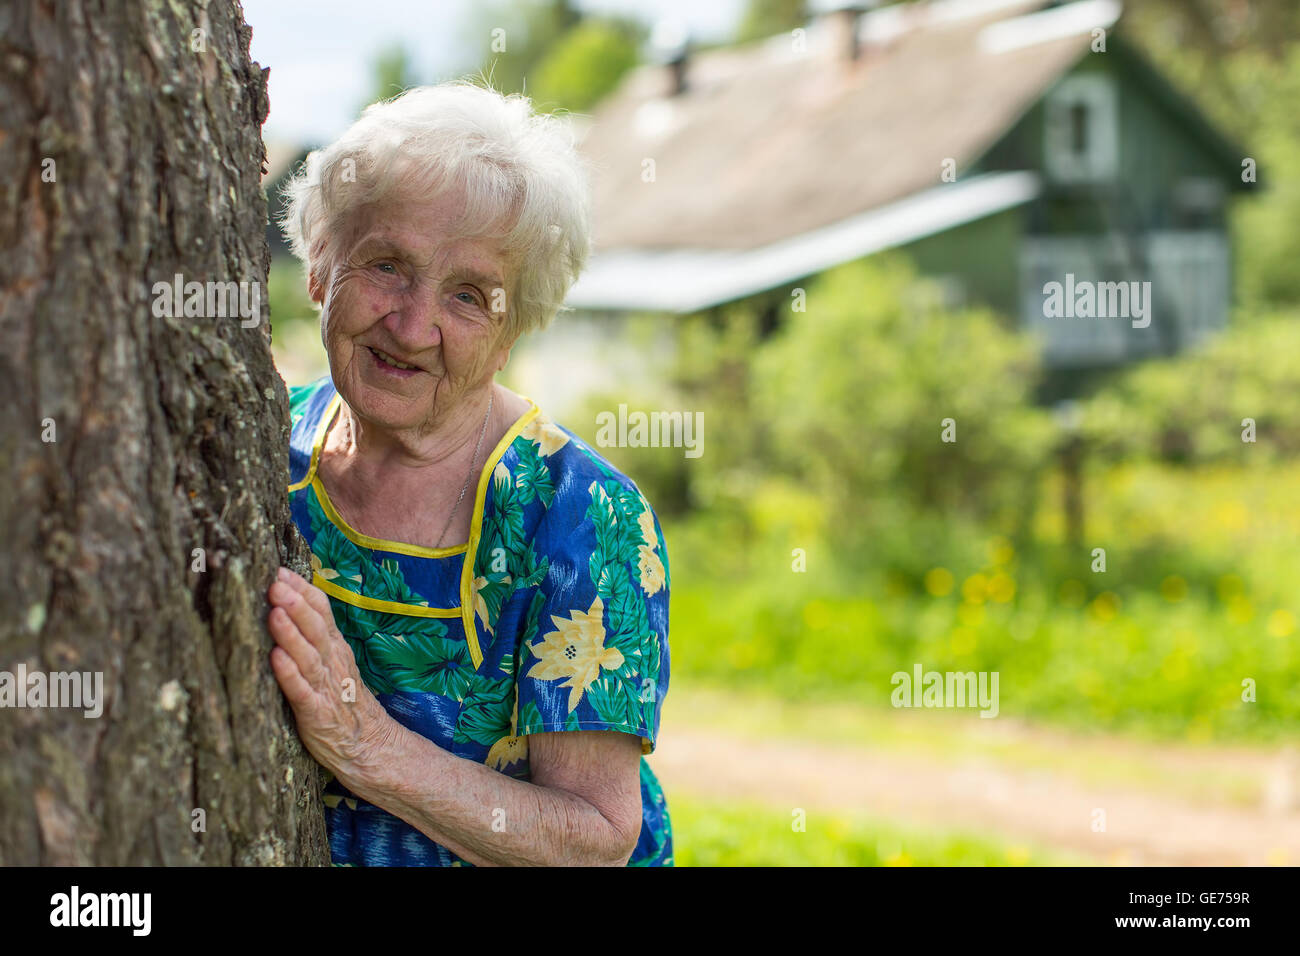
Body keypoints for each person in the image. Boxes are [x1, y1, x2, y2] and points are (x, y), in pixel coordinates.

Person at [265, 81, 671, 866]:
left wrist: (365, 746)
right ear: (319, 267)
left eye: (468, 296)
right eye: (386, 266)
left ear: (512, 330)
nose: (415, 327)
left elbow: (593, 841)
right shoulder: (257, 449)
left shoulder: (583, 518)